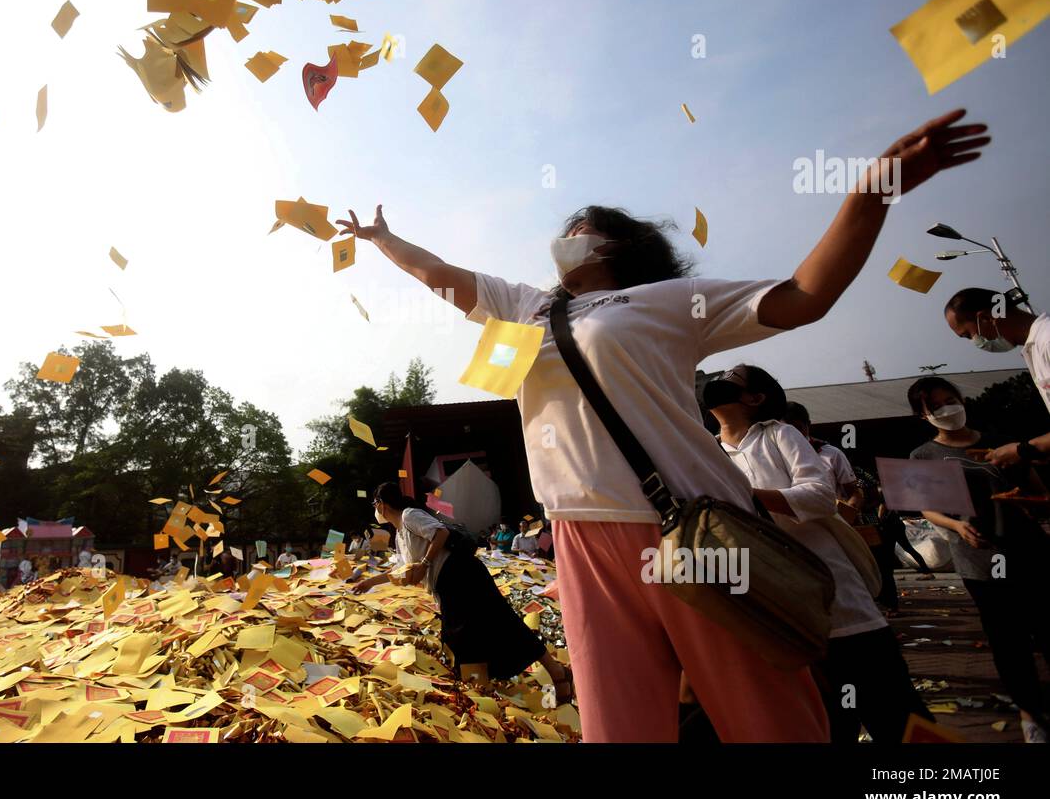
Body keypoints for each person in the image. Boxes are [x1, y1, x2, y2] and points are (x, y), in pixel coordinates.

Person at [335, 109, 987, 740]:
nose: (566, 237)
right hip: (579, 538)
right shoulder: (527, 307)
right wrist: (383, 240)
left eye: (581, 227)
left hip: (689, 525)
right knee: (619, 727)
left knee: (767, 719)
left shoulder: (668, 302)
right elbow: (440, 276)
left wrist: (873, 193)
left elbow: (804, 296)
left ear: (617, 244)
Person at [707, 364, 932, 743]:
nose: (717, 384)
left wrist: (747, 499)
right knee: (822, 727)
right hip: (774, 612)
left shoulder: (779, 434)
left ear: (755, 398)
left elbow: (820, 495)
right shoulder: (705, 450)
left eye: (732, 380)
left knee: (899, 717)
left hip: (838, 602)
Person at [907, 375, 1050, 743]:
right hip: (978, 562)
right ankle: (1030, 714)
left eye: (950, 398)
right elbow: (927, 509)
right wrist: (956, 526)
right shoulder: (923, 457)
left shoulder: (1000, 440)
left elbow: (1038, 490)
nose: (947, 409)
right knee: (1009, 643)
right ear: (922, 415)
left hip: (1029, 551)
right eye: (935, 406)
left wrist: (1022, 499)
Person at [352, 483, 573, 699]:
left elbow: (440, 533)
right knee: (466, 637)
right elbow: (399, 568)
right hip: (447, 584)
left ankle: (555, 674)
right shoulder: (399, 534)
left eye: (375, 504)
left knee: (499, 625)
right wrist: (370, 582)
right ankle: (481, 688)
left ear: (381, 505)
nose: (375, 510)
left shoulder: (409, 516)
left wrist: (425, 564)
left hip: (462, 574)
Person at [943, 288, 1050, 466]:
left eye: (968, 335)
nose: (974, 341)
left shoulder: (1047, 341)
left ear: (985, 318)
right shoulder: (1034, 349)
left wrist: (1025, 449)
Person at [783, 402, 865, 519]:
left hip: (832, 524)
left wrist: (848, 513)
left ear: (809, 425)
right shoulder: (775, 458)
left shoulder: (832, 454)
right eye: (789, 430)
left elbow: (854, 493)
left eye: (799, 428)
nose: (795, 434)